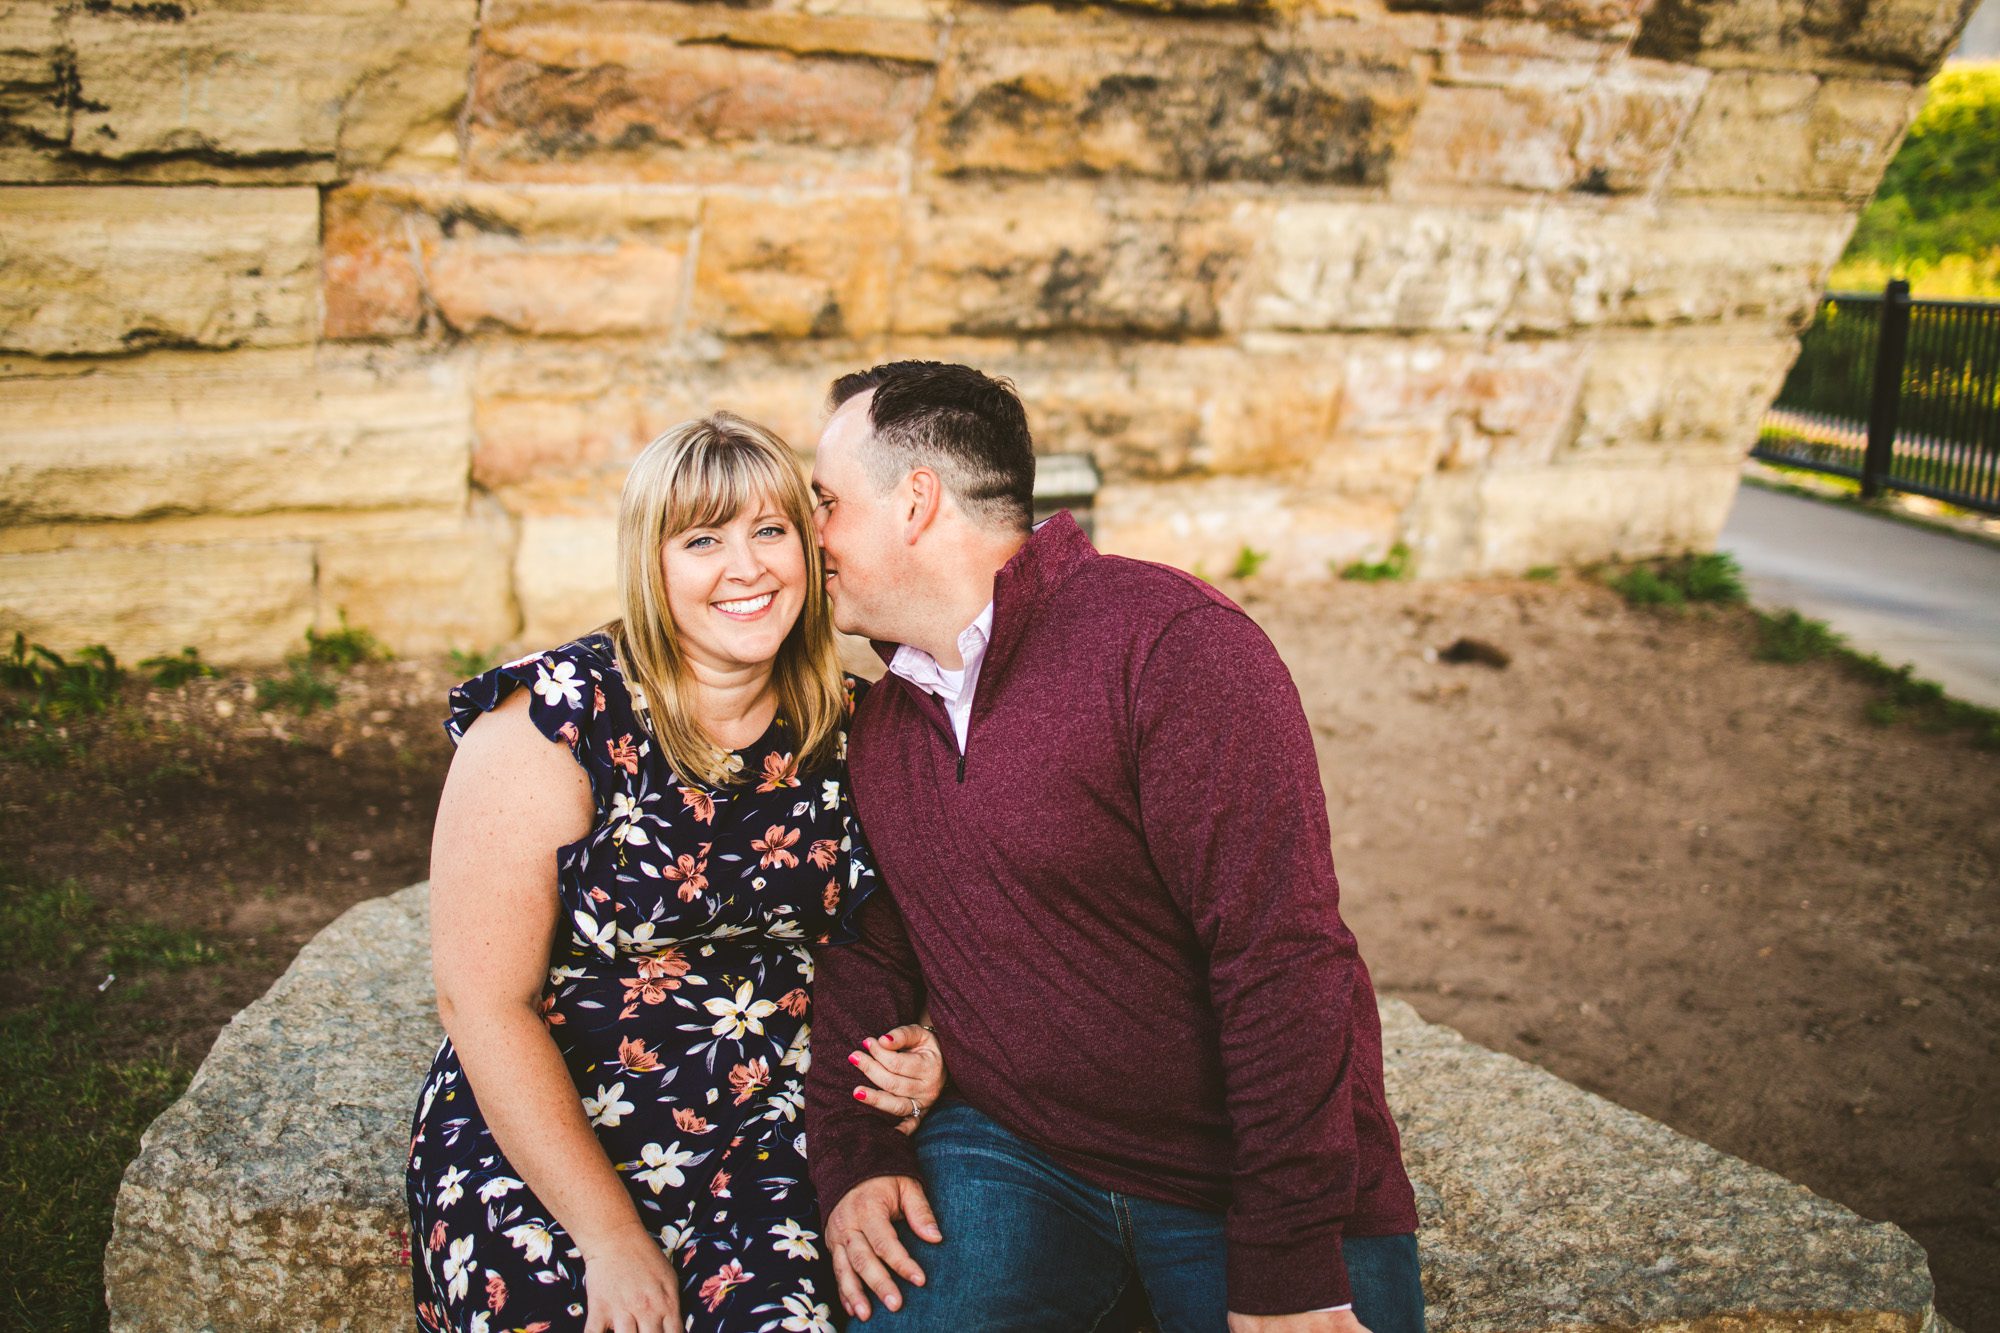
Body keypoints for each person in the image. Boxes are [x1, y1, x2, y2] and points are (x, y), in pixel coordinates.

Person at [802, 363, 1425, 1333]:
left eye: (826, 503)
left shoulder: (1169, 647)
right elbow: (872, 946)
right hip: (1018, 1151)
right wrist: (858, 1153)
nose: (813, 536)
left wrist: (1287, 1265)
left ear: (914, 501)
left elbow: (1280, 959)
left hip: (1236, 1179)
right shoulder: (885, 725)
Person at [406, 413, 947, 1333]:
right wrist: (610, 1238)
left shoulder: (856, 727)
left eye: (770, 531)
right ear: (650, 565)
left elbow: (952, 920)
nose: (747, 568)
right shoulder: (553, 723)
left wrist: (935, 1045)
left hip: (769, 1120)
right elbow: (481, 1001)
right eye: (703, 540)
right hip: (563, 1118)